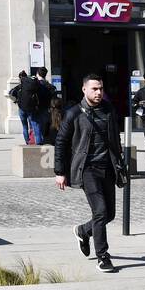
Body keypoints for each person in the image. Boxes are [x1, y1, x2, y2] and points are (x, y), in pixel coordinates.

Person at [54, 74, 124, 273]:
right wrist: (60, 172)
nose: (99, 92)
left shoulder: (108, 109)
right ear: (84, 89)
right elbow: (60, 142)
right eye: (94, 89)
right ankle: (103, 257)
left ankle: (83, 231)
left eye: (101, 88)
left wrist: (119, 161)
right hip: (87, 169)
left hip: (108, 168)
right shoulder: (74, 113)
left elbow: (114, 138)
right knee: (100, 211)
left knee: (109, 214)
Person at [15, 70, 44, 144]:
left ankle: (27, 142)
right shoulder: (32, 82)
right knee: (35, 125)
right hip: (31, 108)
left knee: (25, 126)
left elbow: (12, 93)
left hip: (21, 108)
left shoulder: (21, 84)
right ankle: (38, 143)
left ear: (20, 77)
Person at [34, 67, 56, 144]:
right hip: (47, 108)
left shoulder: (35, 85)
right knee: (45, 125)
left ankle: (39, 143)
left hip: (36, 108)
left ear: (37, 74)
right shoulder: (50, 86)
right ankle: (44, 141)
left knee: (37, 127)